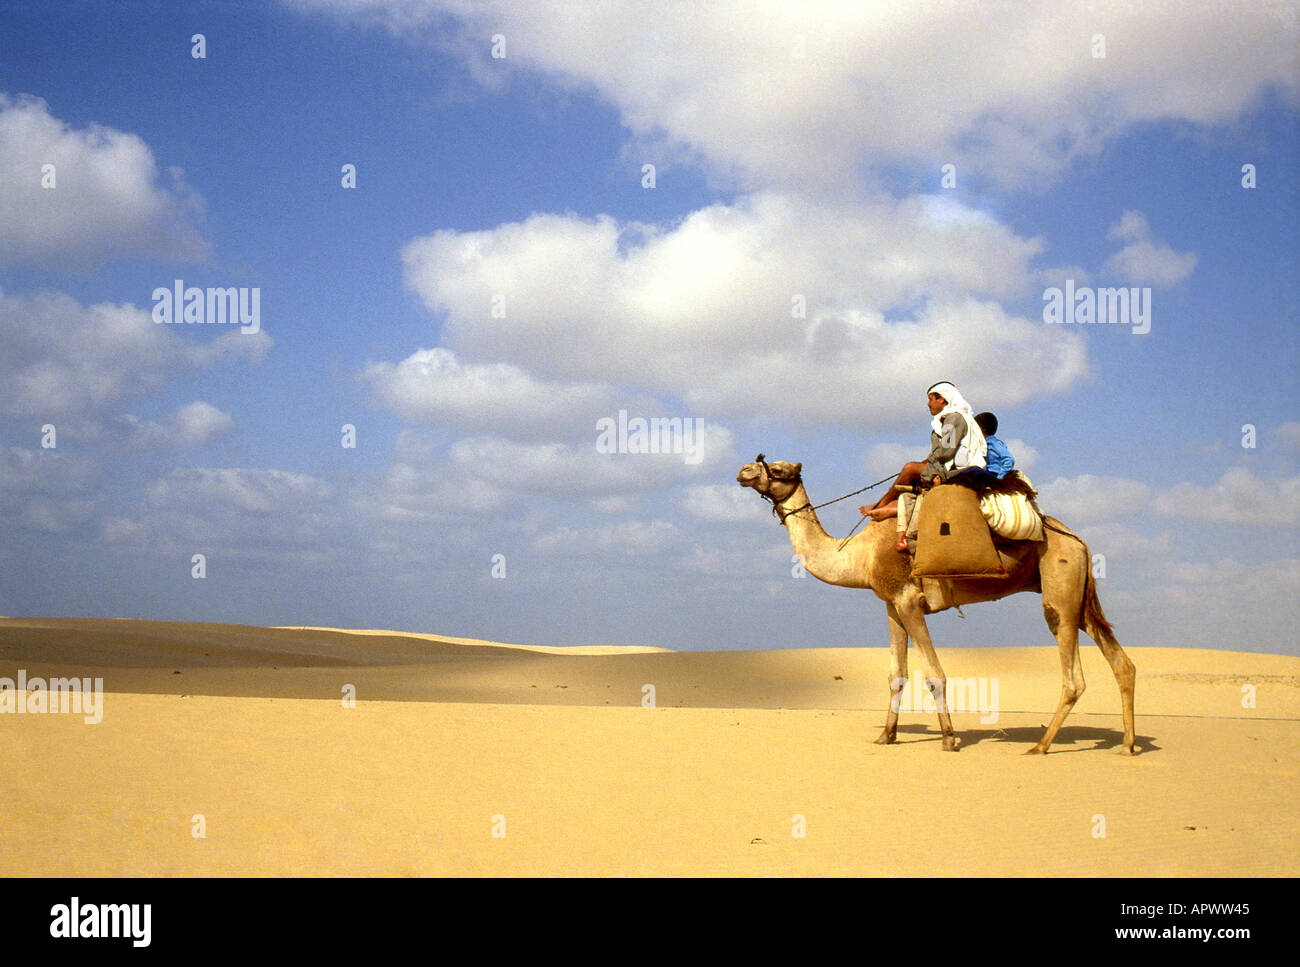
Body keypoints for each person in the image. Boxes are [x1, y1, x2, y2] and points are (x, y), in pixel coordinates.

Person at [860, 381, 987, 550]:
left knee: (909, 469)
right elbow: (941, 452)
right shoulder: (948, 419)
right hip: (951, 467)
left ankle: (881, 504)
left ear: (941, 399)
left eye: (931, 399)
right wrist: (925, 463)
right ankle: (891, 508)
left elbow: (947, 452)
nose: (928, 404)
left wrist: (921, 465)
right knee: (913, 470)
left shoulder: (953, 418)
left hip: (962, 471)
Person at [974, 412, 1014, 478]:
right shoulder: (981, 445)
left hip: (993, 474)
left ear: (981, 428)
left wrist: (999, 477)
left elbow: (1009, 459)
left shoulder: (994, 443)